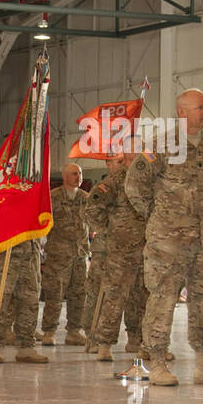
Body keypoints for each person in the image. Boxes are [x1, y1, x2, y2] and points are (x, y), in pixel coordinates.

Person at [124, 88, 203, 385]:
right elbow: (135, 185)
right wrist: (160, 215)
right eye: (200, 107)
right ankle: (157, 362)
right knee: (162, 299)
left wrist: (202, 210)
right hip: (167, 242)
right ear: (182, 111)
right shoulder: (160, 145)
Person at [84, 148, 149, 362]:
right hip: (120, 252)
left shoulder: (149, 179)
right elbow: (92, 208)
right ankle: (104, 344)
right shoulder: (113, 183)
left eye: (135, 156)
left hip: (146, 251)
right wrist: (109, 230)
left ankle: (139, 341)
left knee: (143, 299)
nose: (130, 161)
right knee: (114, 298)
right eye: (126, 157)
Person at [39, 162, 90, 345]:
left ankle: (74, 331)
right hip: (58, 255)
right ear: (65, 176)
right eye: (75, 174)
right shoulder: (53, 198)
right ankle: (49, 331)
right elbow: (43, 224)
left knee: (79, 294)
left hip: (80, 254)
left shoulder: (86, 198)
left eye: (80, 173)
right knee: (54, 294)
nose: (79, 177)